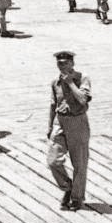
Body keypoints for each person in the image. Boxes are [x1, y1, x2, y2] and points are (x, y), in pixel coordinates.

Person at [46, 50, 92, 212]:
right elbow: (53, 104)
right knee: (53, 161)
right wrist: (50, 126)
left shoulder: (82, 78)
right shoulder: (55, 82)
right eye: (59, 63)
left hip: (77, 121)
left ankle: (77, 198)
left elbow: (83, 99)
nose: (62, 65)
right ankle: (67, 187)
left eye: (65, 62)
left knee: (79, 162)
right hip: (60, 121)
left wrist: (71, 83)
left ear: (72, 63)